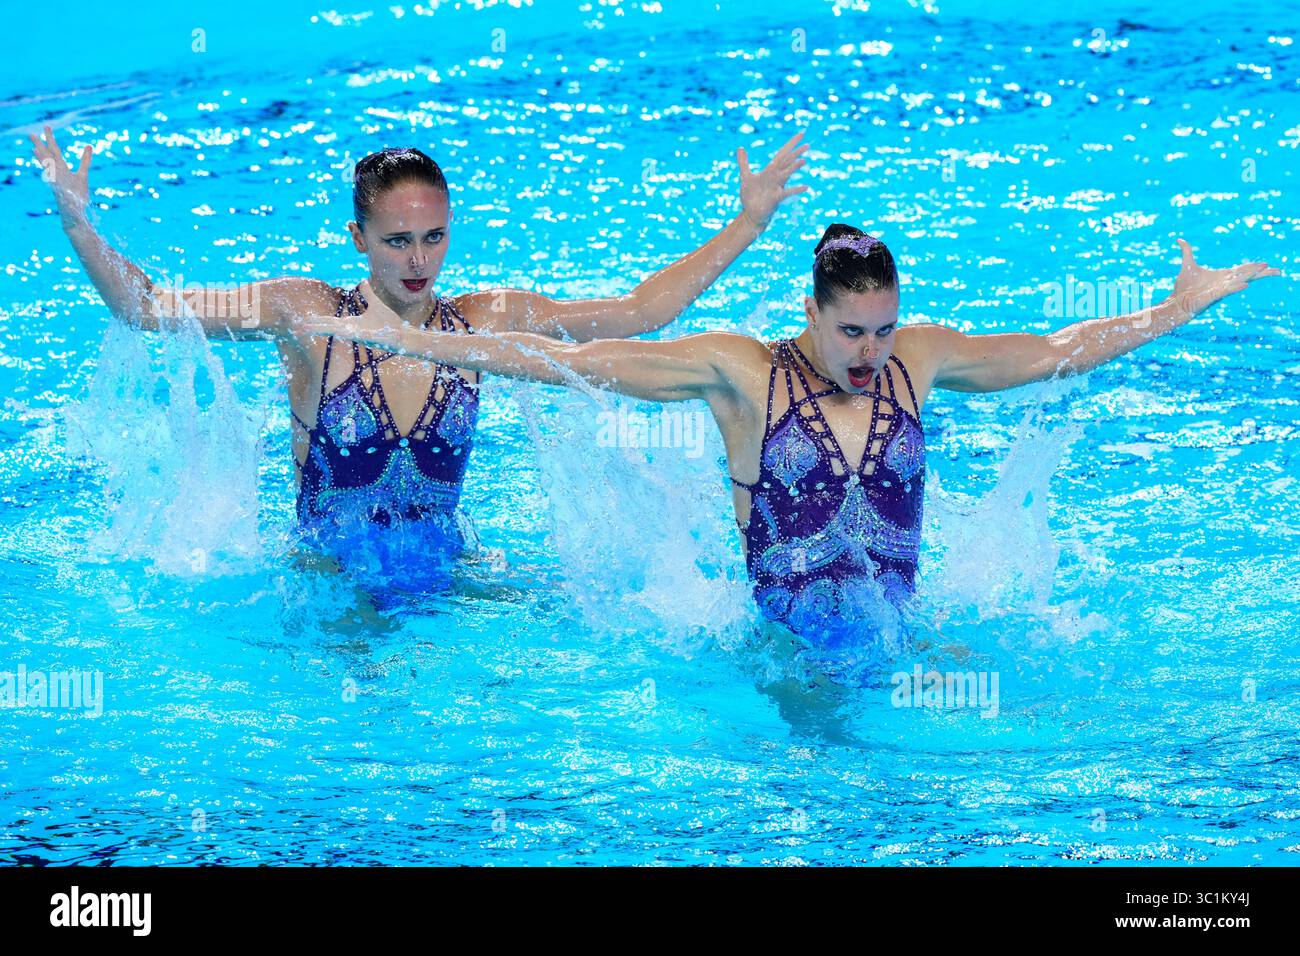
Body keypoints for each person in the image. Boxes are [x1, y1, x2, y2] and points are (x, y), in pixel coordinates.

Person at [300, 223, 1280, 652]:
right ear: (809, 313)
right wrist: (406, 338)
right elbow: (587, 365)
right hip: (787, 659)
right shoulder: (748, 374)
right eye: (850, 330)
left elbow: (1058, 348)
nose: (868, 350)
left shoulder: (920, 360)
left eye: (882, 328)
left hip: (900, 632)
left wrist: (1172, 309)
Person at [29, 126, 808, 589]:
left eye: (433, 237)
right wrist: (76, 227)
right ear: (357, 239)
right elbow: (151, 310)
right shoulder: (305, 316)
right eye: (397, 240)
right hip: (325, 586)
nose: (417, 259)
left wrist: (747, 225)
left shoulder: (484, 322)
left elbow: (641, 313)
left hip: (447, 573)